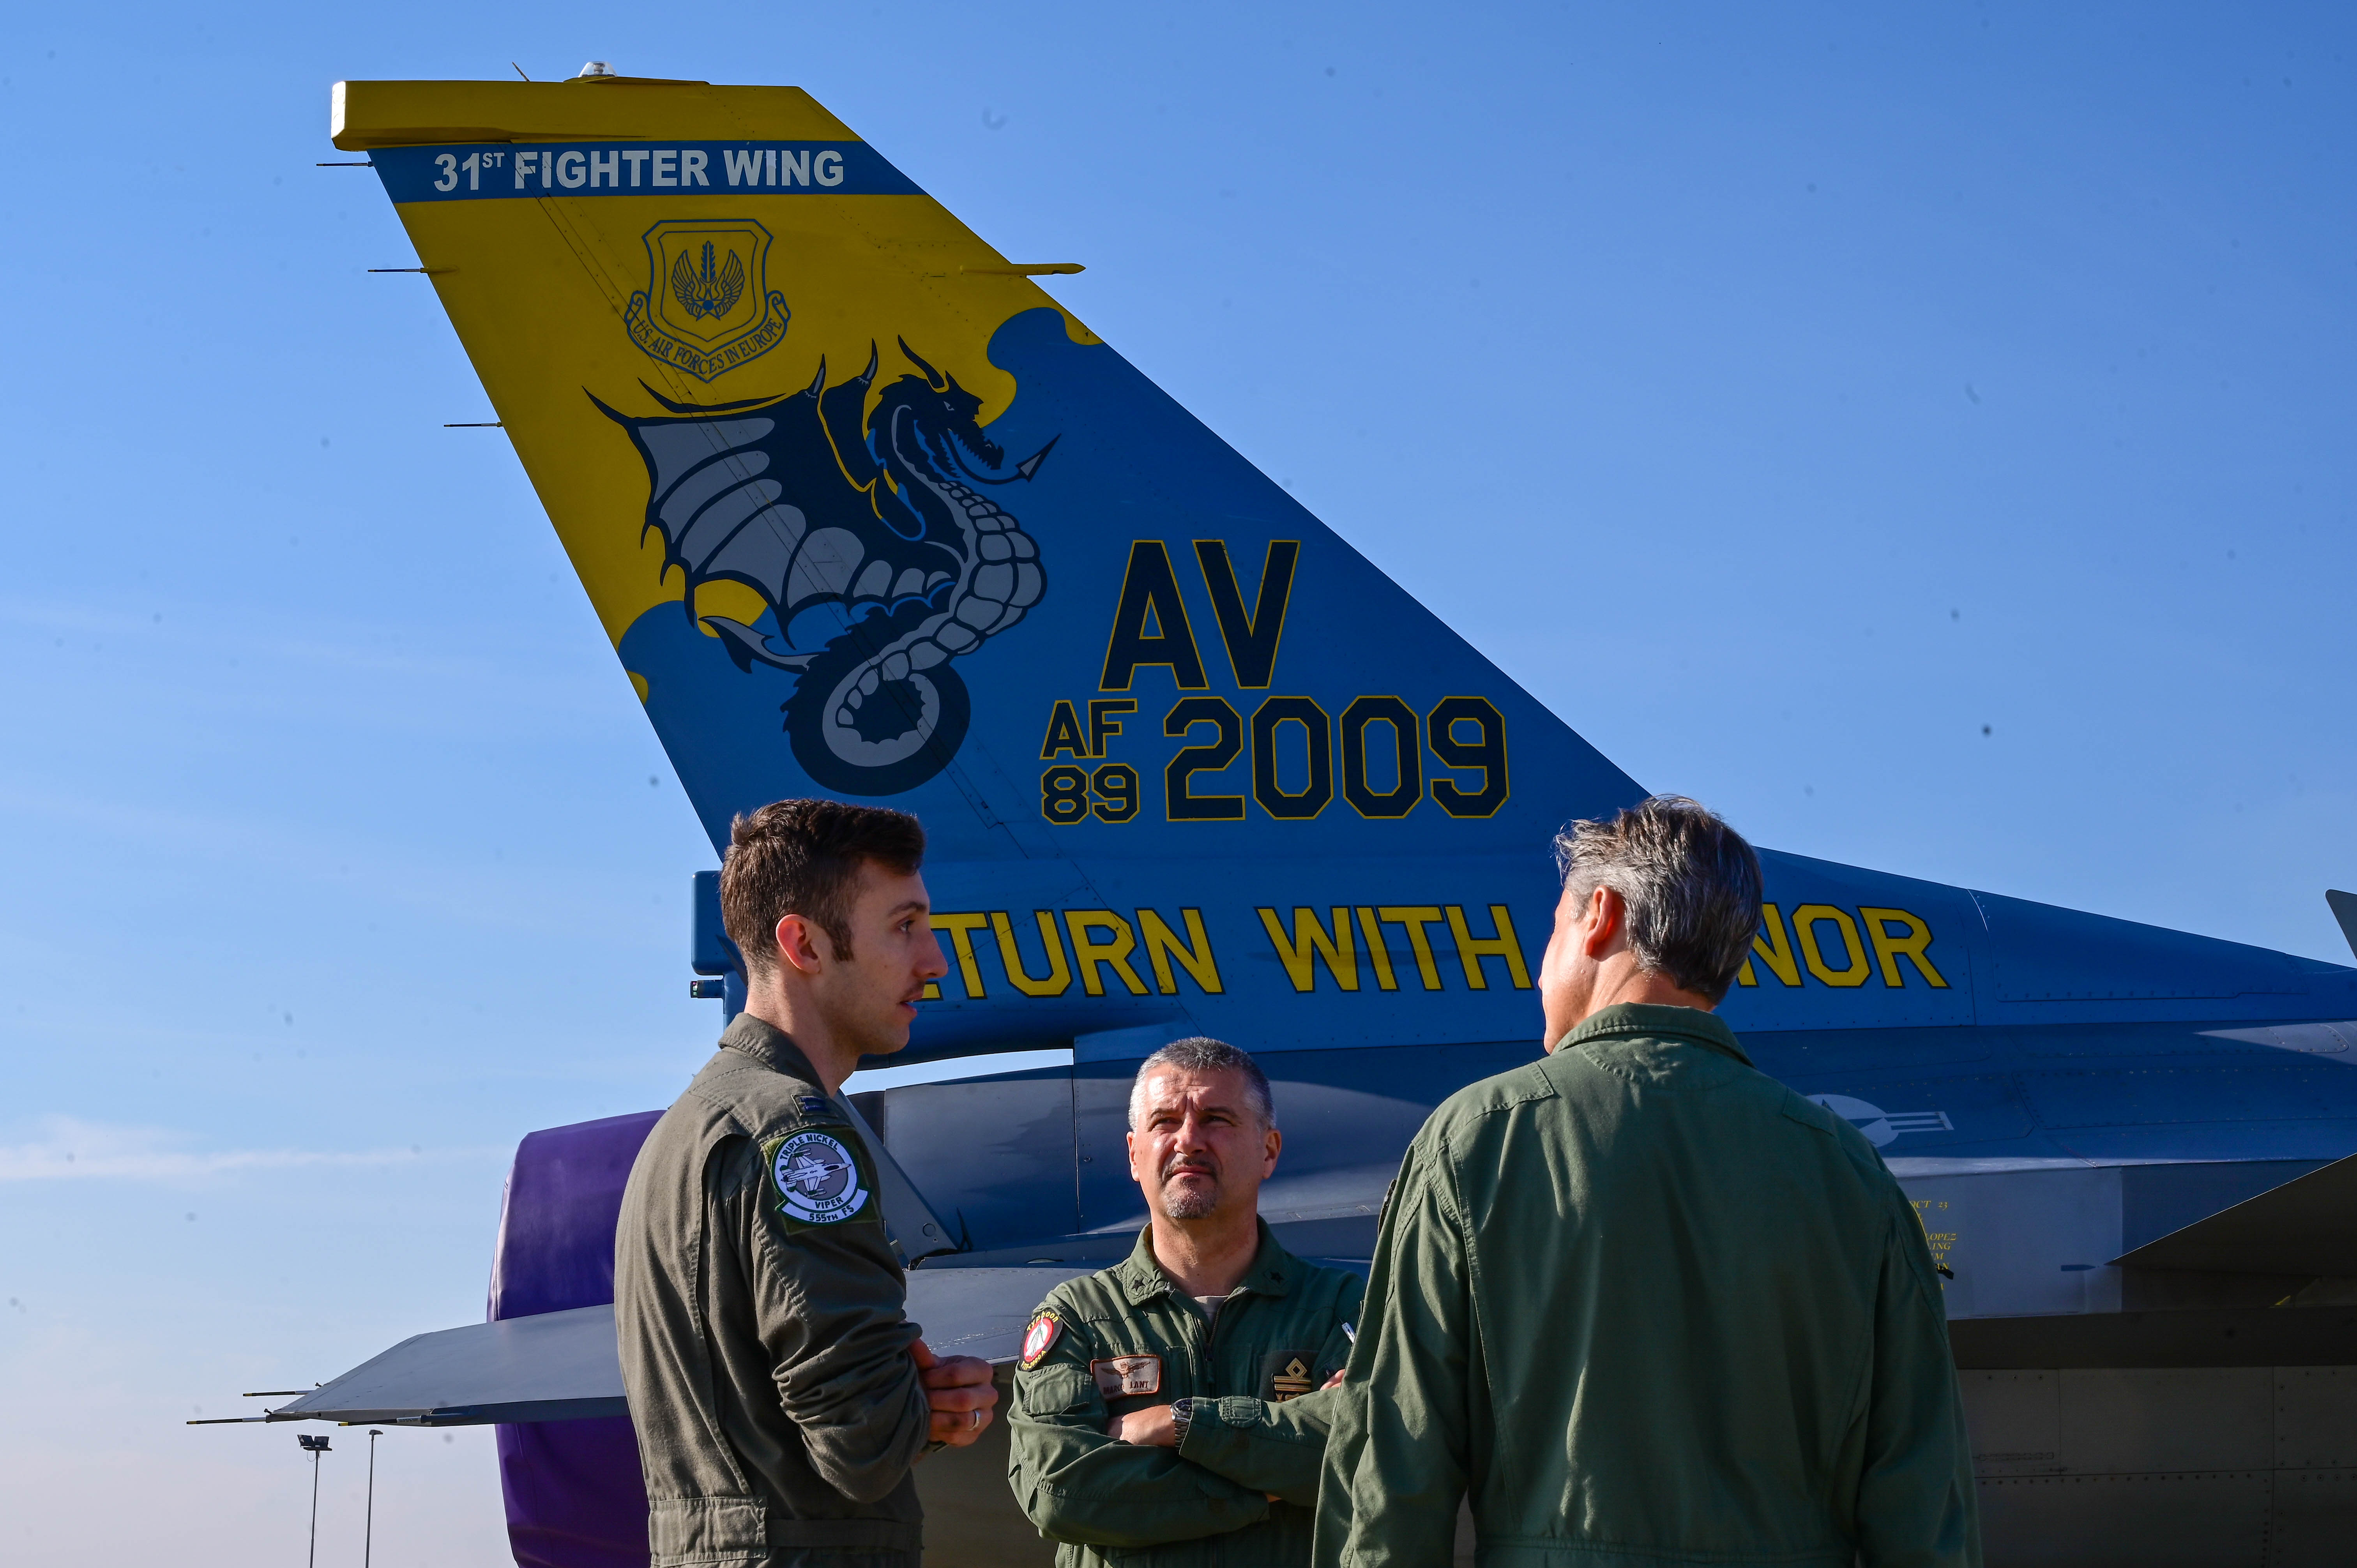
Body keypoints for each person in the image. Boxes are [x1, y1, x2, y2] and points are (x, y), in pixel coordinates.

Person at [1315, 796, 1980, 1568]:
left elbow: (1393, 1460)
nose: (1543, 962)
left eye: (1555, 925)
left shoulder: (1479, 1137)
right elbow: (1924, 1495)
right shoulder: (1849, 1168)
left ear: (1601, 915)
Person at [614, 799, 998, 1568]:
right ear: (805, 943)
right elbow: (864, 1442)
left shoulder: (686, 1130)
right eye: (904, 925)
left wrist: (905, 1393)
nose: (935, 960)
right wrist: (926, 1405)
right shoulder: (801, 1137)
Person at [1007, 1038, 1363, 1567]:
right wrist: (1261, 1484)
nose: (1189, 1140)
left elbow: (1366, 1450)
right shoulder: (1079, 1317)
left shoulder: (1346, 1308)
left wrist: (1178, 1424)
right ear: (1134, 1154)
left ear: (1269, 1150)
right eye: (1165, 1122)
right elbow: (1060, 1490)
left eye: (1217, 1119)